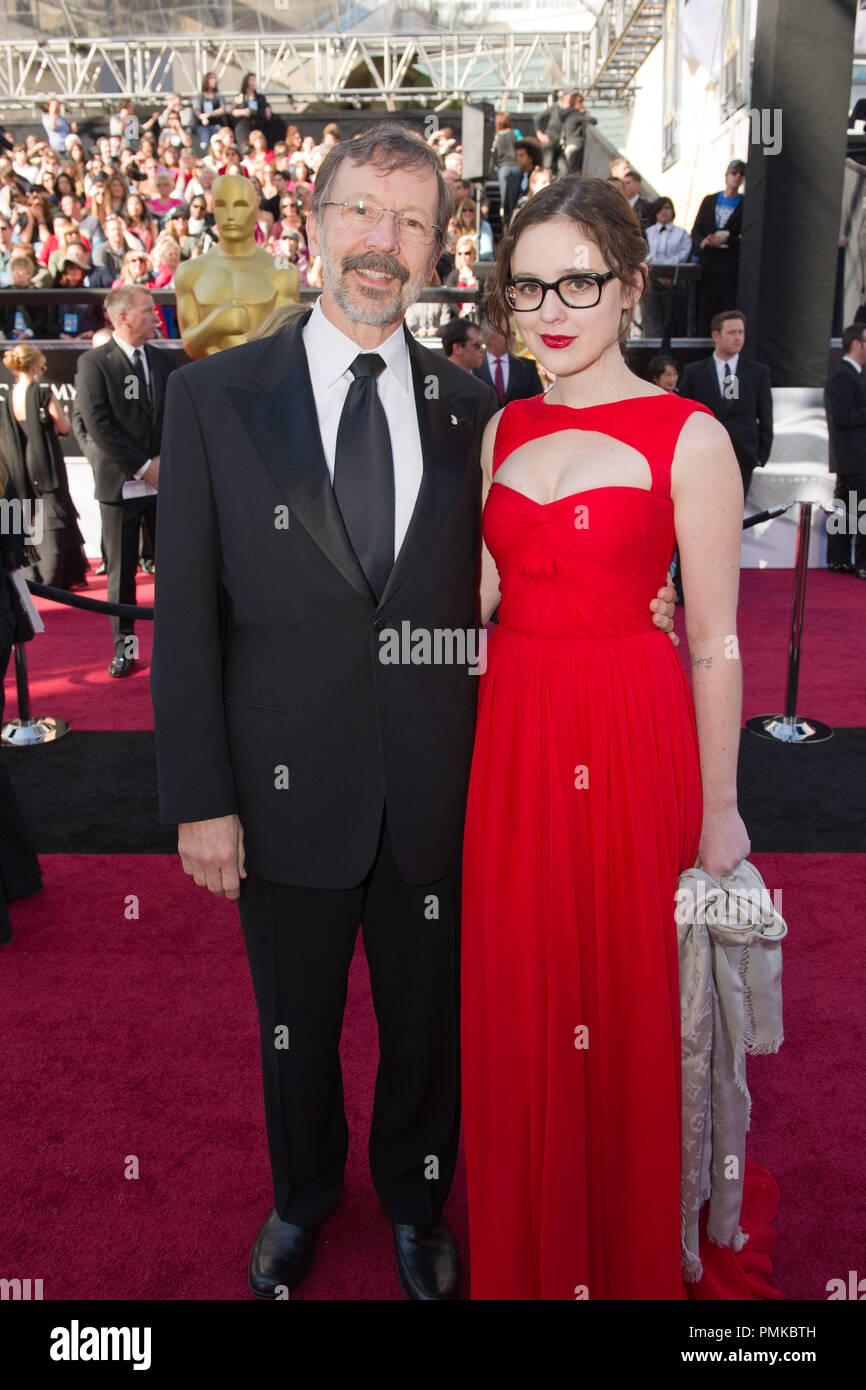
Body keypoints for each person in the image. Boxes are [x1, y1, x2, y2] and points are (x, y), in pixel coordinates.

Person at [149, 122, 679, 1304]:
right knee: (292, 1023)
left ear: (438, 248)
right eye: (359, 213)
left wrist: (639, 589)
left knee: (426, 1027)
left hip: (446, 788)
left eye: (409, 221)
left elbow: (528, 566)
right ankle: (299, 1197)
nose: (379, 242)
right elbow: (183, 618)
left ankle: (414, 1199)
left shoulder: (474, 408)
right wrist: (202, 801)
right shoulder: (212, 399)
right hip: (278, 792)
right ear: (315, 225)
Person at [461, 173, 778, 1300]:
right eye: (526, 286)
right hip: (514, 744)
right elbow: (476, 596)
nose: (550, 308)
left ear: (631, 288)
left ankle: (624, 1239)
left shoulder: (689, 436)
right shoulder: (502, 421)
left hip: (631, 736)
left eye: (579, 282)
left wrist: (722, 808)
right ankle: (533, 1238)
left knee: (627, 994)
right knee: (525, 987)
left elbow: (713, 643)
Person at [74, 286, 175, 676]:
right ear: (123, 317)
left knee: (171, 567)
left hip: (163, 482)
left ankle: (174, 643)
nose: (156, 317)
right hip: (121, 486)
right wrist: (142, 466)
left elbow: (176, 414)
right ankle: (125, 649)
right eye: (148, 311)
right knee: (122, 574)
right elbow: (99, 425)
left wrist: (163, 461)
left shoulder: (164, 362)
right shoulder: (94, 364)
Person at [0, 343, 88, 588]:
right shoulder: (42, 392)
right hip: (46, 463)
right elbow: (63, 426)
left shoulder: (11, 395)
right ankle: (58, 575)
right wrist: (67, 416)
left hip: (21, 464)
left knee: (30, 517)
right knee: (57, 515)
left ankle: (34, 573)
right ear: (36, 365)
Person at [677, 309, 773, 501]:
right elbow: (683, 415)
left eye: (741, 332)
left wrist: (760, 455)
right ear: (716, 336)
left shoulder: (757, 372)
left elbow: (765, 415)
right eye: (731, 332)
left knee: (735, 513)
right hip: (702, 454)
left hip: (743, 456)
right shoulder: (695, 372)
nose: (738, 338)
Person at [824, 323, 866, 577]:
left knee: (848, 507)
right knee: (858, 509)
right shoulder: (843, 375)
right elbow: (841, 415)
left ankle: (839, 559)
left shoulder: (856, 374)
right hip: (853, 457)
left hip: (853, 458)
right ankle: (859, 562)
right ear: (856, 343)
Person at [691, 160, 745, 337]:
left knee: (727, 304)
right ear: (726, 176)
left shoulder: (745, 203)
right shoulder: (710, 200)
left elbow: (749, 237)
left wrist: (728, 239)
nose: (737, 177)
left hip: (730, 263)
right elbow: (696, 229)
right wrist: (704, 241)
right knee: (705, 305)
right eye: (734, 173)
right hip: (709, 261)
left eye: (741, 174)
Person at [642, 196, 693, 340]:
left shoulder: (681, 233)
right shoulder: (648, 232)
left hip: (674, 280)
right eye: (661, 209)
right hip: (652, 278)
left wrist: (668, 272)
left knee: (673, 317)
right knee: (652, 317)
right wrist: (658, 272)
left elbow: (683, 254)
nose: (664, 212)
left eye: (667, 208)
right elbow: (644, 253)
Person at [473, 315, 543, 404]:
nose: (513, 338)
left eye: (514, 333)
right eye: (508, 334)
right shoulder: (473, 367)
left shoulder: (527, 367)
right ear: (491, 337)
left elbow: (538, 403)